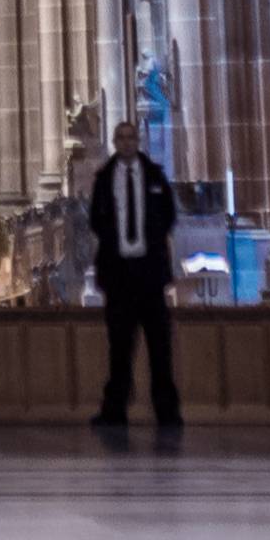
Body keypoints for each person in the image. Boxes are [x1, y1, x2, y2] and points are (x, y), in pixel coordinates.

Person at [86, 116, 188, 439]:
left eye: (131, 137)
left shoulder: (154, 176)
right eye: (122, 138)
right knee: (119, 348)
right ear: (115, 143)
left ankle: (167, 411)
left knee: (160, 348)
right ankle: (114, 410)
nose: (127, 143)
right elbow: (96, 220)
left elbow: (168, 215)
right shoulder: (104, 179)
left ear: (137, 141)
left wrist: (152, 244)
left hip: (149, 273)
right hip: (119, 276)